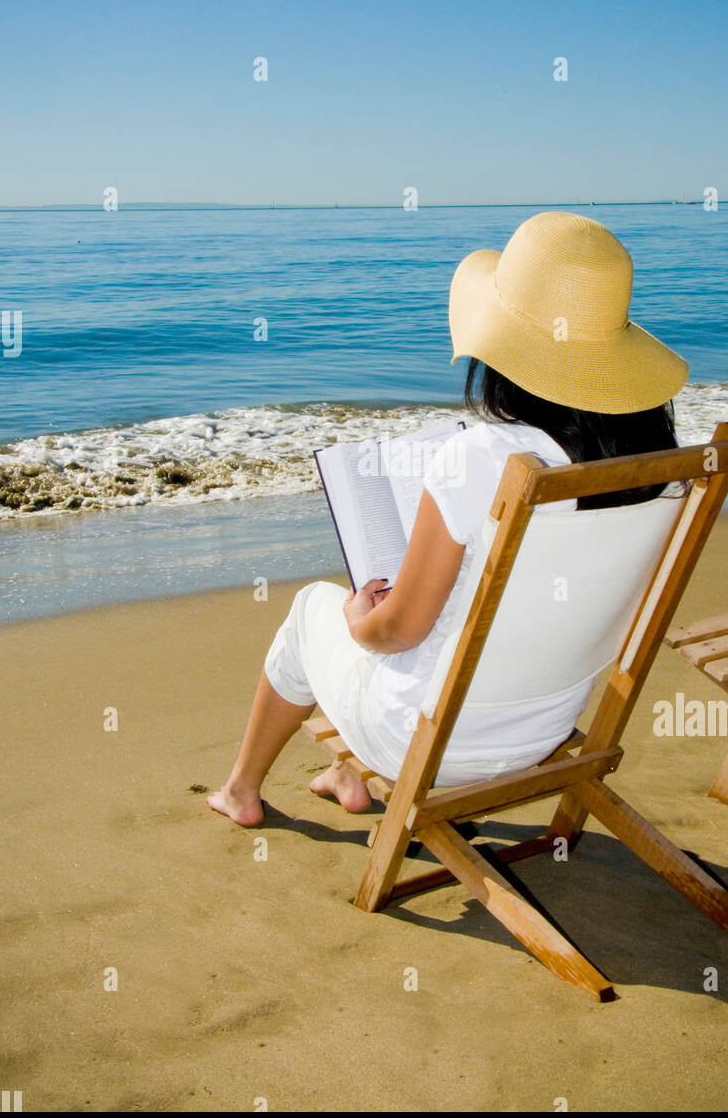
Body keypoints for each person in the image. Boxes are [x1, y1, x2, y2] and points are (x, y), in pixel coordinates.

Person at [208, 211, 689, 826]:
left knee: (314, 610)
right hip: (545, 729)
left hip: (433, 744)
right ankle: (346, 773)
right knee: (457, 610)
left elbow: (400, 632)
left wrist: (360, 624)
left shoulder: (483, 458)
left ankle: (241, 792)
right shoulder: (663, 469)